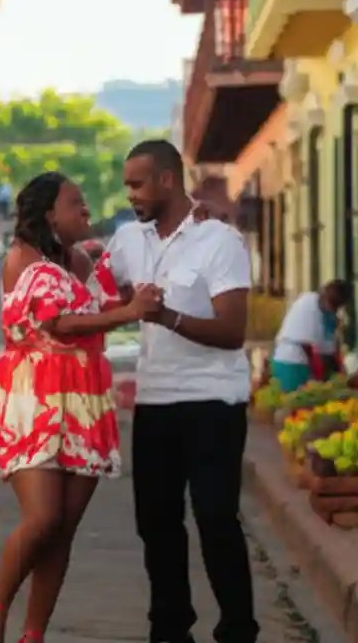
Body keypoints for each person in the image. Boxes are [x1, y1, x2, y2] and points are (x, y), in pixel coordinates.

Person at [0, 171, 165, 643]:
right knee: (41, 519)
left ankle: (33, 633)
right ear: (48, 214)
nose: (85, 210)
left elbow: (105, 303)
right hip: (34, 396)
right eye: (75, 203)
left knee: (63, 530)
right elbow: (59, 322)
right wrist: (127, 311)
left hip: (83, 399)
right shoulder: (21, 260)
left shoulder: (77, 259)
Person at [101, 139, 259, 643]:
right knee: (157, 523)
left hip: (213, 402)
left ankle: (237, 629)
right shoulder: (128, 241)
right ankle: (170, 629)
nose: (130, 194)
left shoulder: (220, 241)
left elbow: (233, 330)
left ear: (167, 179)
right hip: (155, 403)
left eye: (137, 183)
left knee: (215, 518)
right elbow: (94, 281)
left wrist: (163, 314)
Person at [270, 280, 353, 393]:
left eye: (336, 307)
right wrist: (318, 377)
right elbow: (307, 346)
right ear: (324, 296)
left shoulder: (327, 314)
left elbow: (328, 349)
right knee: (294, 403)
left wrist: (338, 372)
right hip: (291, 361)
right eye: (332, 305)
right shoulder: (307, 304)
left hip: (305, 362)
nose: (332, 310)